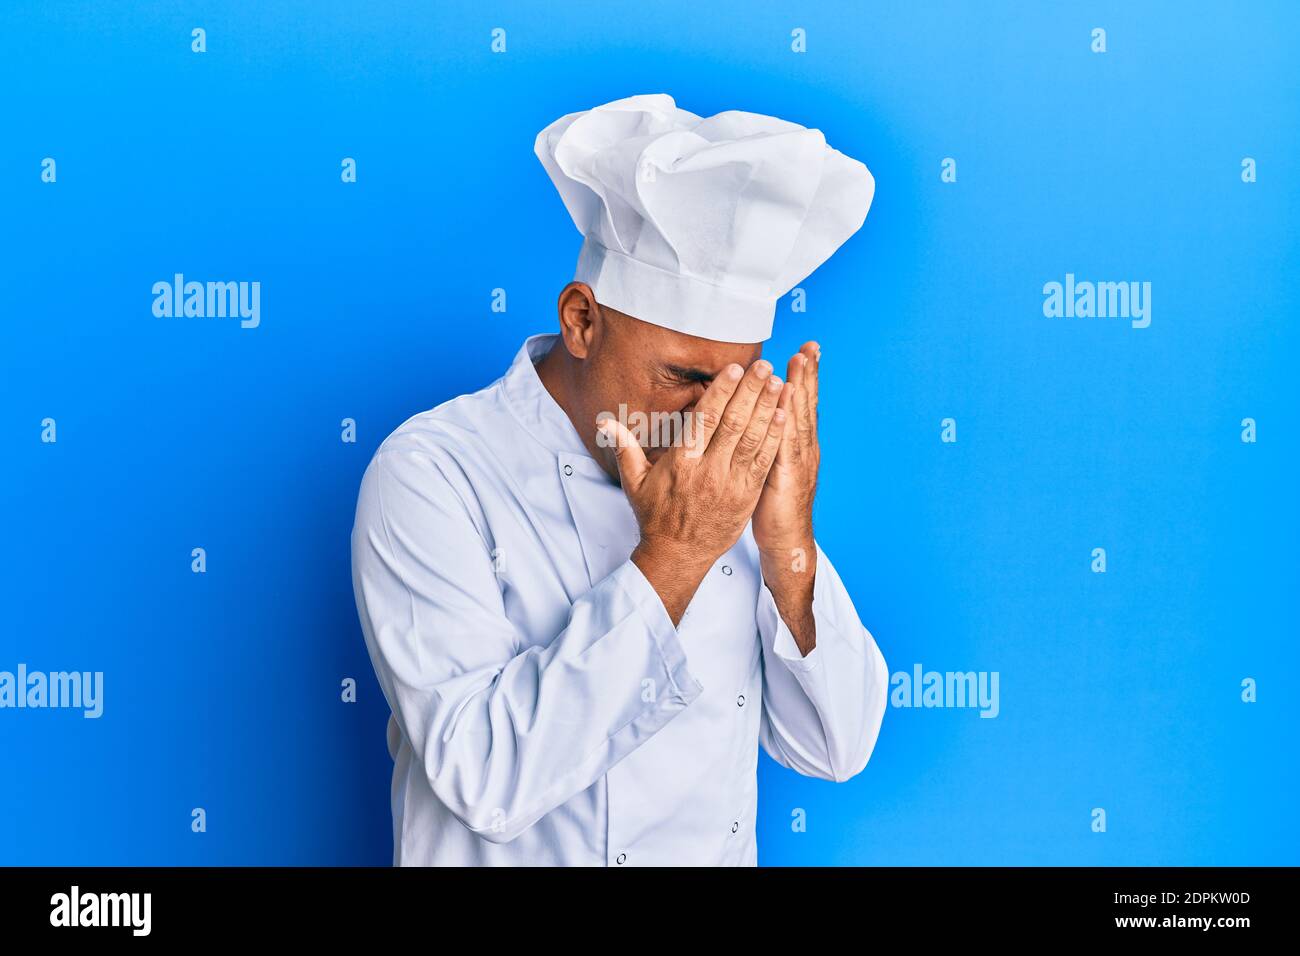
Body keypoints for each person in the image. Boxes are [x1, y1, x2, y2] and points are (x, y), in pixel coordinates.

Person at [351, 94, 889, 866]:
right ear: (582, 321)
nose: (709, 418)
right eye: (681, 376)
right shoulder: (434, 473)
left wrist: (788, 548)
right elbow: (485, 777)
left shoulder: (731, 485)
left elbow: (834, 748)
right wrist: (675, 556)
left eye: (736, 382)